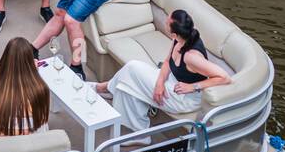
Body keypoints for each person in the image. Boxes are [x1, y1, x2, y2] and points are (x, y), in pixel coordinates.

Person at [96, 9, 234, 139]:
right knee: (129, 82)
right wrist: (160, 83)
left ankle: (105, 88)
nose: (165, 21)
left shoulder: (192, 57)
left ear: (174, 33)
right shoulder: (179, 39)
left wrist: (193, 87)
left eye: (167, 22)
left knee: (132, 69)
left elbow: (224, 77)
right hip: (171, 81)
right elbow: (167, 61)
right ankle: (139, 134)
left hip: (183, 97)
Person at [0, 37, 50, 137]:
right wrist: (35, 73)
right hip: (29, 145)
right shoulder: (40, 89)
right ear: (30, 61)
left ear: (5, 58)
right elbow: (43, 119)